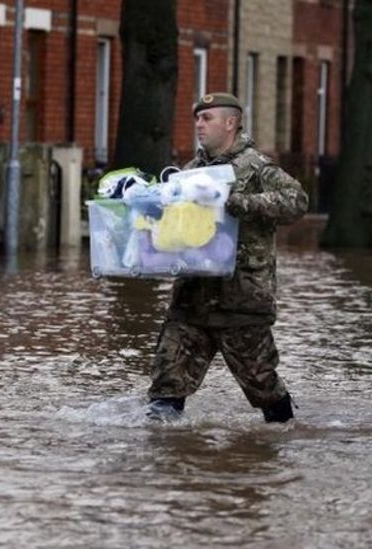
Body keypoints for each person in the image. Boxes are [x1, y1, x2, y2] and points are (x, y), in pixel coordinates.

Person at [146, 92, 309, 423]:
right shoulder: (190, 172)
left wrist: (241, 203)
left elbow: (297, 201)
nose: (199, 125)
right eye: (197, 118)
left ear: (231, 123)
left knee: (263, 385)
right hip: (191, 299)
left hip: (242, 299)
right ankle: (163, 447)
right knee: (166, 384)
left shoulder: (256, 167)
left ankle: (286, 433)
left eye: (207, 118)